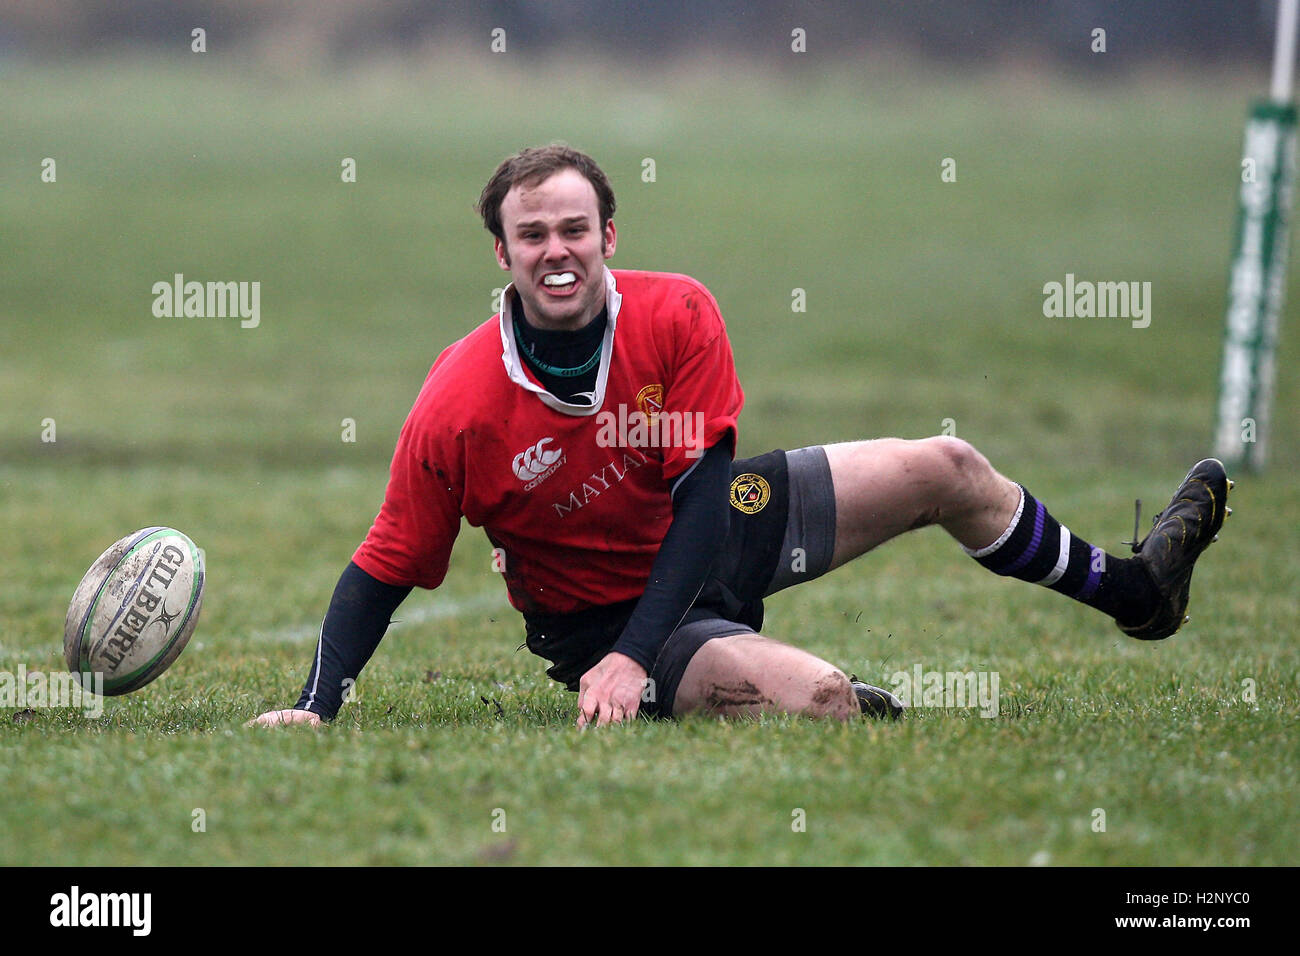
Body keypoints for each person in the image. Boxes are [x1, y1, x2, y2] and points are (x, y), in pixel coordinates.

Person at [249, 145, 1231, 730]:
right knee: (822, 706)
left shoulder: (676, 315)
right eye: (534, 234)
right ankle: (789, 677)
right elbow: (385, 563)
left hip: (720, 523)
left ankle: (1133, 592)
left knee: (947, 466)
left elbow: (703, 495)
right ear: (501, 253)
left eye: (575, 228)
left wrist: (635, 660)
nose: (558, 250)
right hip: (599, 616)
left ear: (609, 236)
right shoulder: (459, 401)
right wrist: (317, 703)